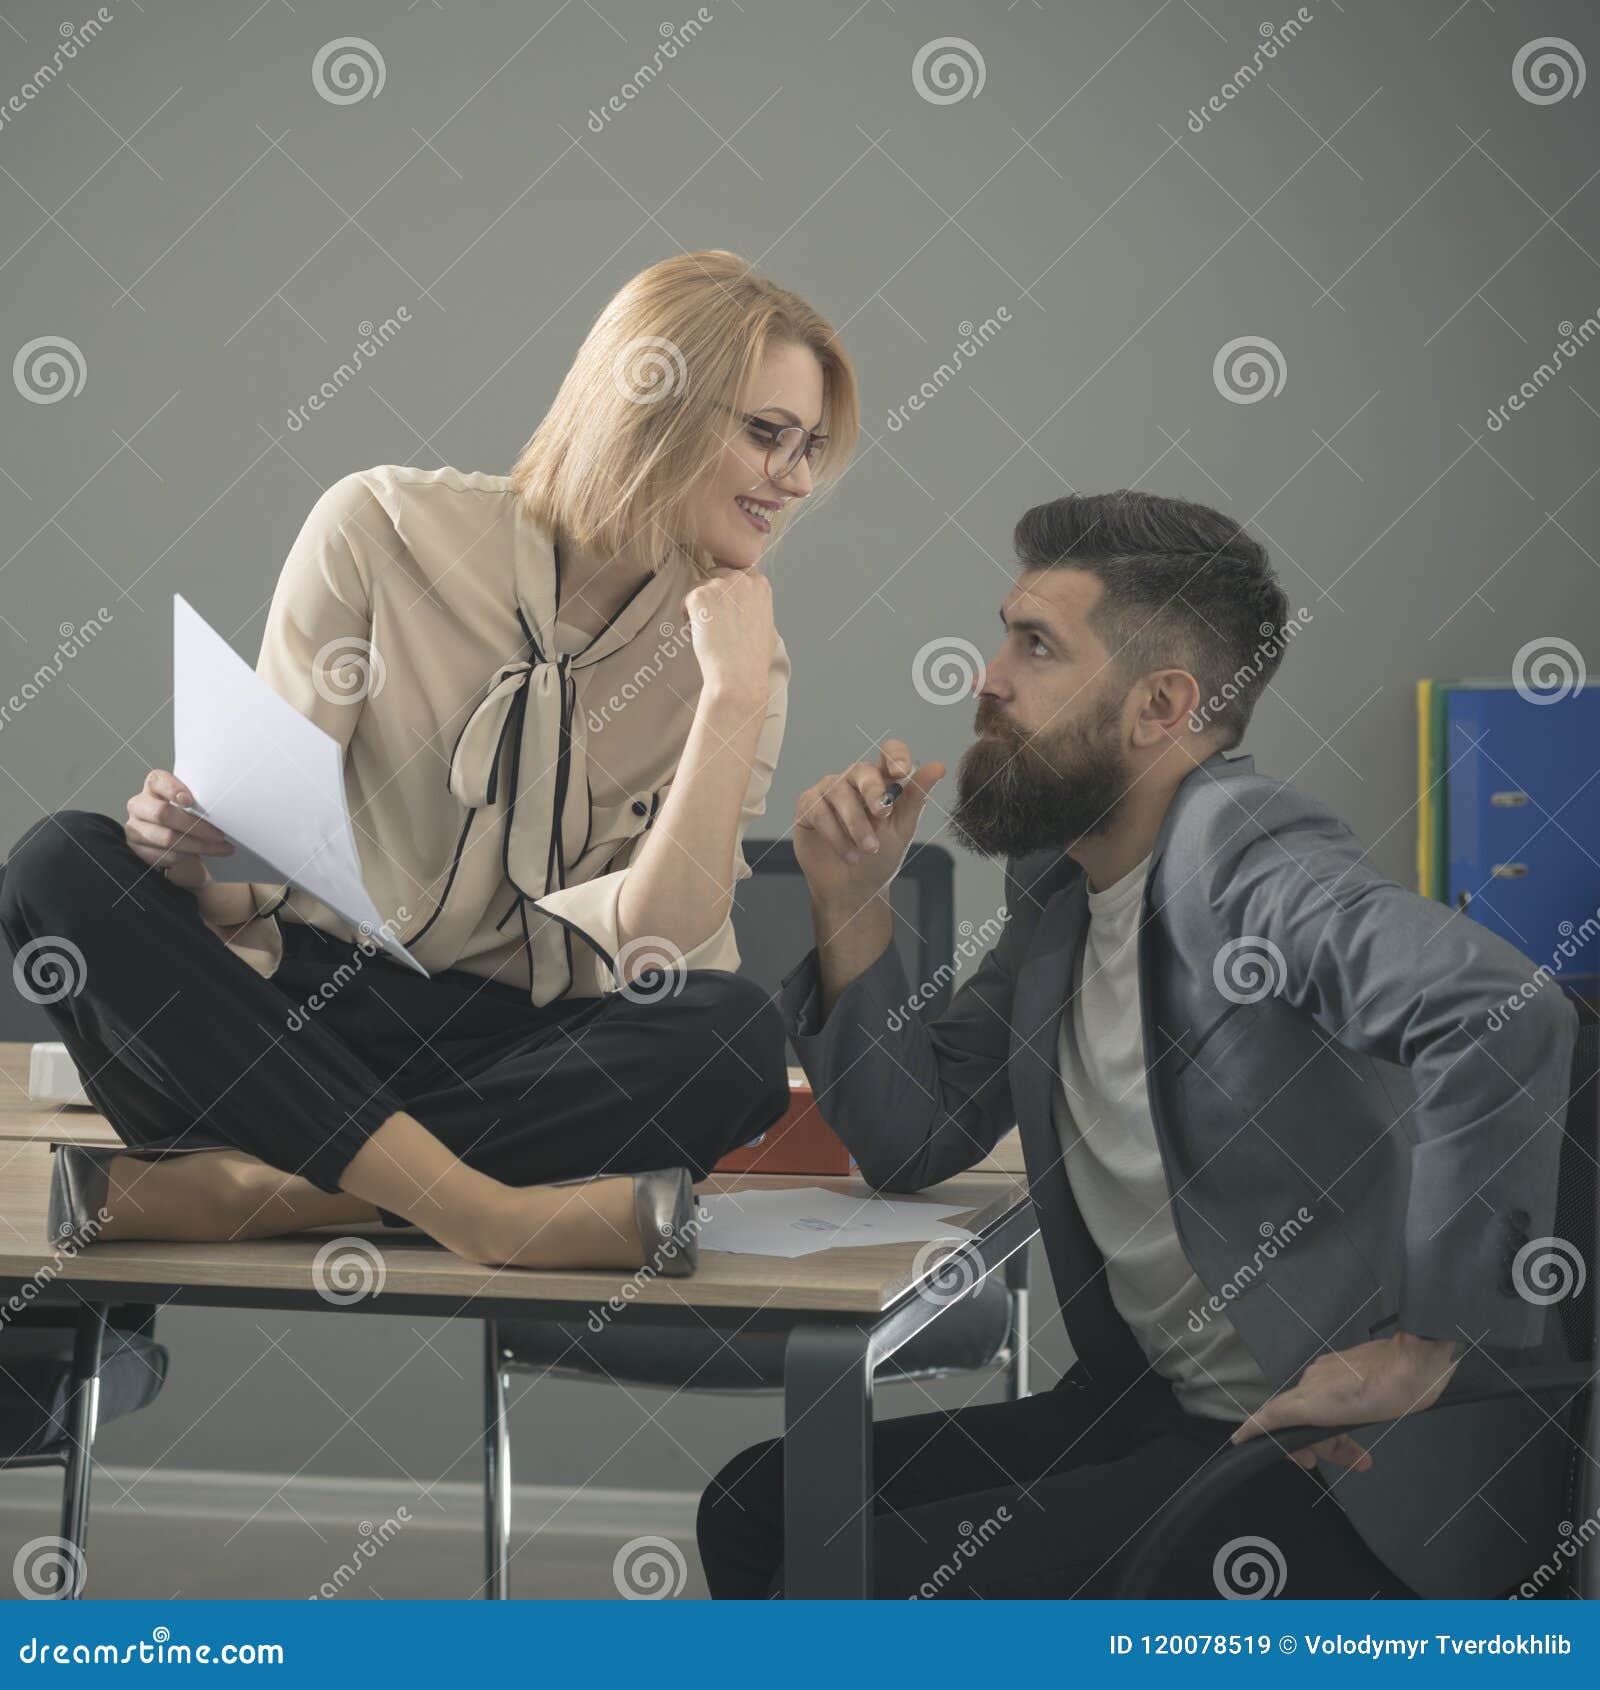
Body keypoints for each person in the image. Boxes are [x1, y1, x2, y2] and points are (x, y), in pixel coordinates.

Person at [698, 488, 1579, 1597]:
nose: (988, 678)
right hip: (1164, 1415)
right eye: (1002, 636)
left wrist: (1436, 1349)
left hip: (1334, 1470)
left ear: (1159, 705)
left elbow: (1500, 1007)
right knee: (757, 1508)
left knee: (870, 1587)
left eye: (1035, 646)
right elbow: (910, 1135)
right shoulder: (1065, 885)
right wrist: (851, 909)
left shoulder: (1245, 855)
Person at [0, 250, 859, 1276]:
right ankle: (481, 1213)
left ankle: (253, 1193)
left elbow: (661, 943)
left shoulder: (738, 651)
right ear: (648, 404)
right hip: (294, 1028)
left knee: (728, 1038)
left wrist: (728, 696)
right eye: (767, 434)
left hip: (522, 1051)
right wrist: (193, 862)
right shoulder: (381, 528)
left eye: (809, 446)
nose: (796, 479)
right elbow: (256, 875)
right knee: (62, 863)